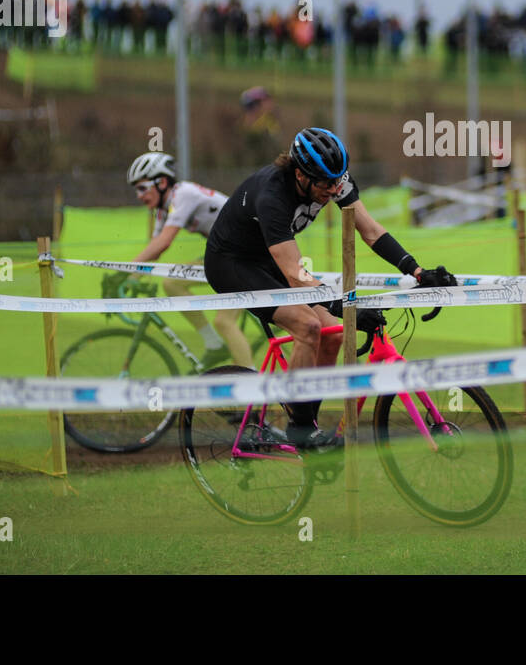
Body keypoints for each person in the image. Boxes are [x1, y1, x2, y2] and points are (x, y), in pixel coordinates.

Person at [204, 127, 457, 450]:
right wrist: (348, 308)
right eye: (326, 184)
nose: (335, 189)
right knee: (307, 326)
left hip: (268, 257)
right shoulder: (272, 196)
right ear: (300, 175)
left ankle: (307, 419)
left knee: (333, 334)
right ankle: (299, 428)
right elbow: (295, 274)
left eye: (338, 181)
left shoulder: (333, 180)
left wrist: (417, 270)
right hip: (231, 264)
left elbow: (370, 230)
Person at [125, 152, 252, 368]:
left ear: (162, 182)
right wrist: (130, 278)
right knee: (172, 282)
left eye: (142, 188)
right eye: (136, 190)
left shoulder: (183, 194)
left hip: (246, 254)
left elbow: (164, 242)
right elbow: (155, 250)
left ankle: (253, 381)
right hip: (228, 254)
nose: (138, 195)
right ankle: (213, 344)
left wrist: (125, 272)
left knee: (224, 321)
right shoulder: (165, 208)